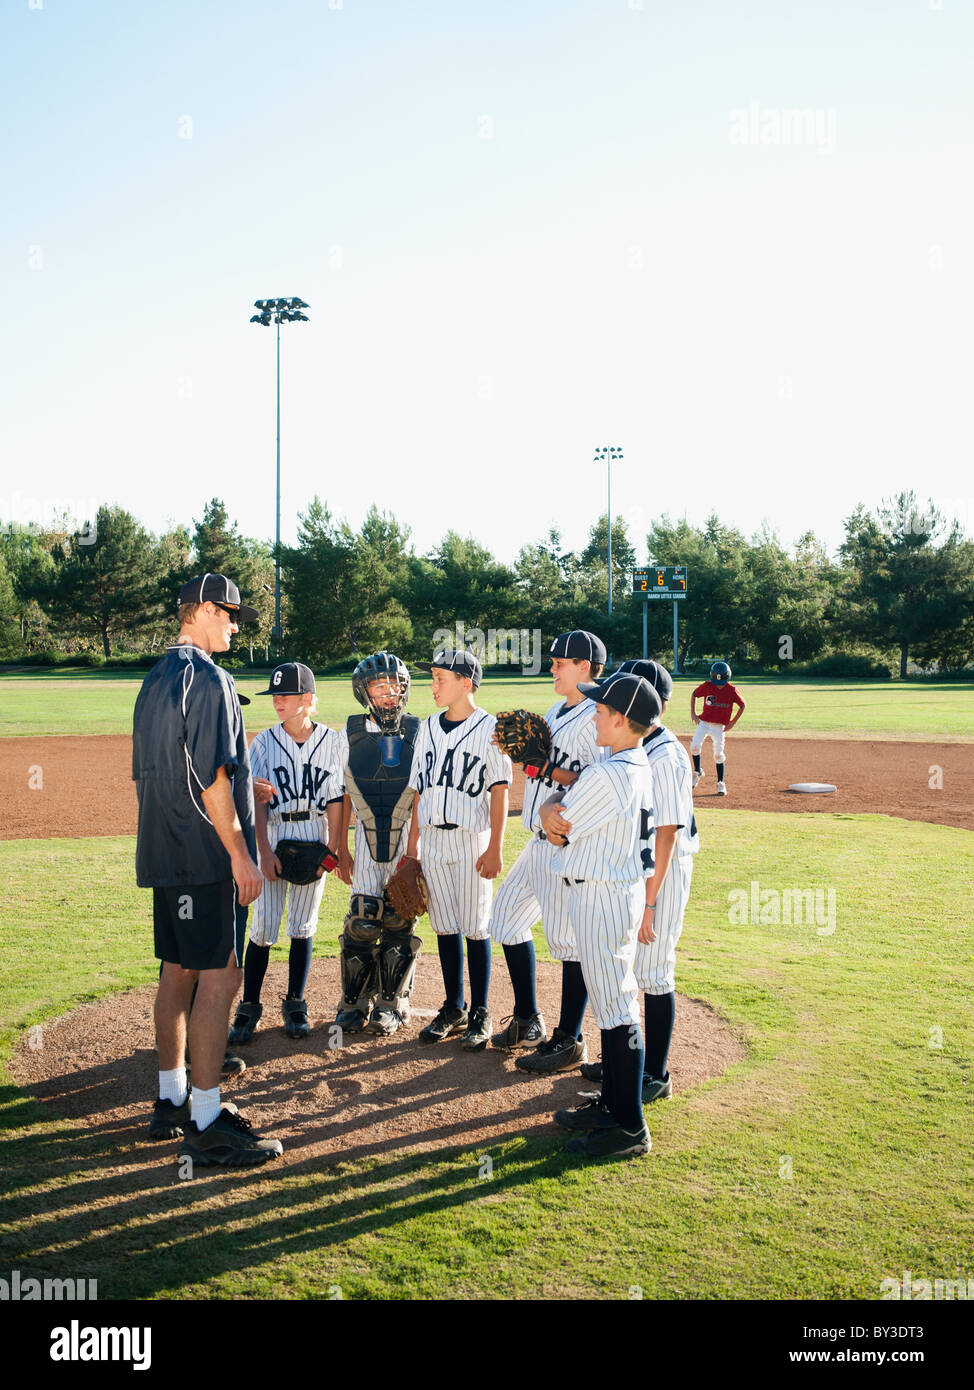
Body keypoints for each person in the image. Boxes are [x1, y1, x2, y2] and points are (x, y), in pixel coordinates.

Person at [133, 573, 282, 1167]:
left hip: (167, 851)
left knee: (178, 971)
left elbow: (163, 771)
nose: (234, 623)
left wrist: (249, 793)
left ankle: (170, 1098)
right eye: (227, 612)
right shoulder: (212, 678)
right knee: (221, 977)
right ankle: (208, 1117)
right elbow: (213, 776)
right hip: (207, 858)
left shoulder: (152, 679)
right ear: (197, 611)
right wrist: (241, 853)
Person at [537, 674, 661, 1159]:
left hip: (604, 895)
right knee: (613, 1005)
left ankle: (629, 1127)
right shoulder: (628, 762)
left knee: (617, 1008)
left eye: (601, 710)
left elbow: (556, 831)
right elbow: (556, 816)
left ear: (622, 720)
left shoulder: (610, 773)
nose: (593, 715)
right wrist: (552, 807)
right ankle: (612, 1104)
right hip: (606, 890)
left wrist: (549, 804)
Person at [569, 660, 699, 1104]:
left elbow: (667, 832)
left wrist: (649, 902)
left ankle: (654, 1073)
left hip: (664, 868)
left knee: (654, 971)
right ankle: (627, 1063)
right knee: (624, 973)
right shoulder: (633, 749)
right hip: (638, 864)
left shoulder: (668, 755)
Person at [488, 630, 607, 1075]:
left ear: (586, 667)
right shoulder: (558, 709)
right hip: (537, 842)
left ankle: (570, 1038)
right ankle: (528, 1020)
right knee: (505, 918)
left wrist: (541, 766)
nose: (553, 667)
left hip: (566, 843)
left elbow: (601, 782)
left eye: (561, 662)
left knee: (566, 943)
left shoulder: (601, 716)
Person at [228, 663, 344, 1046]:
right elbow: (256, 802)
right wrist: (263, 851)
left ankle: (295, 1002)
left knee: (303, 924)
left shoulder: (332, 741)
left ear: (308, 700)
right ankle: (249, 1005)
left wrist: (334, 847)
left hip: (314, 830)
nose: (277, 701)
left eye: (286, 695)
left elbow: (337, 799)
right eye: (275, 696)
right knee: (263, 927)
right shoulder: (262, 743)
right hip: (276, 833)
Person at [405, 648, 512, 1050]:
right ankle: (454, 1006)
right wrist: (414, 846)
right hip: (433, 838)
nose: (432, 686)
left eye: (440, 679)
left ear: (466, 683)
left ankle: (481, 1011)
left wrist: (496, 847)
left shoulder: (491, 729)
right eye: (432, 678)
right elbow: (419, 791)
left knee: (476, 926)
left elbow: (499, 792)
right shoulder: (428, 727)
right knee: (445, 925)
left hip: (472, 840)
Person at [332, 651, 424, 1036]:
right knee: (363, 915)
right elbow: (342, 795)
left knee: (399, 916)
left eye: (395, 686)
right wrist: (339, 848)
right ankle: (353, 999)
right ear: (363, 692)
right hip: (366, 836)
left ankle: (392, 1000)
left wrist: (415, 850)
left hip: (405, 835)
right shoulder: (349, 734)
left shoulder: (420, 732)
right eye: (379, 686)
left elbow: (421, 794)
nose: (389, 693)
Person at [690, 661, 746, 795]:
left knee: (718, 755)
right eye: (716, 682)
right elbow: (694, 694)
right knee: (694, 747)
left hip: (719, 727)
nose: (718, 686)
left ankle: (721, 783)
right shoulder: (708, 686)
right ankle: (697, 772)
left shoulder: (731, 690)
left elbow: (742, 705)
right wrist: (693, 713)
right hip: (704, 722)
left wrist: (732, 722)